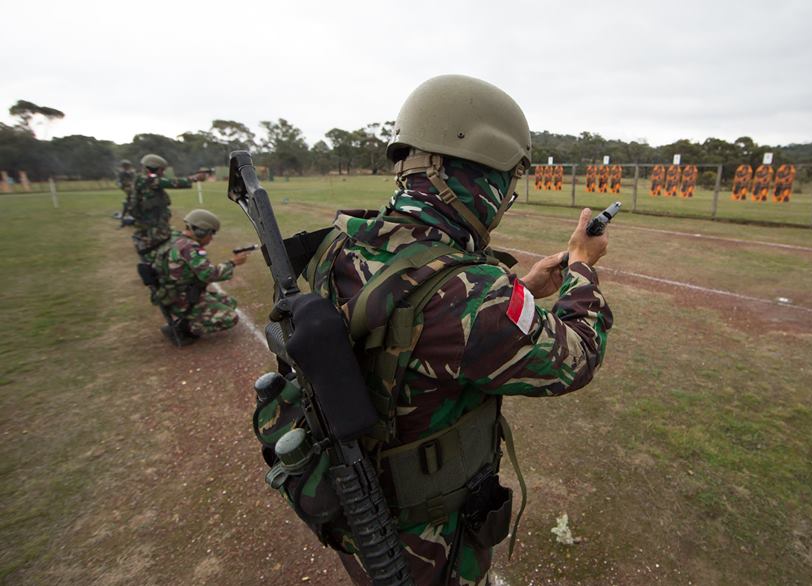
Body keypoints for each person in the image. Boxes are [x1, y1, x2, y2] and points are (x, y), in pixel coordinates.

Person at [298, 74, 613, 585]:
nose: (504, 200)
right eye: (506, 183)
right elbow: (576, 357)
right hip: (426, 541)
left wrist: (523, 288)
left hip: (358, 513)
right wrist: (582, 266)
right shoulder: (469, 292)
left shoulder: (342, 245)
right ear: (478, 176)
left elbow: (414, 321)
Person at [152, 209, 249, 345]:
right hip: (182, 299)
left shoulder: (175, 238)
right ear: (201, 231)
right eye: (211, 233)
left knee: (229, 302)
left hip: (174, 293)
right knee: (230, 318)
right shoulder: (189, 247)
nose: (211, 238)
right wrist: (233, 262)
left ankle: (189, 320)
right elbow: (208, 275)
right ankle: (184, 329)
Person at [130, 153, 195, 262]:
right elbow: (173, 182)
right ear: (153, 168)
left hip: (150, 220)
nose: (162, 173)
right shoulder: (147, 179)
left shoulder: (141, 177)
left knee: (155, 241)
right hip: (152, 222)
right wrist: (193, 179)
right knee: (157, 244)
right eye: (161, 170)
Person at [115, 159, 136, 226]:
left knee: (131, 197)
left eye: (127, 166)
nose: (126, 167)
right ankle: (129, 211)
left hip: (132, 187)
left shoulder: (132, 172)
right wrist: (121, 185)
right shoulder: (121, 173)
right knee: (130, 197)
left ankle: (130, 210)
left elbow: (134, 180)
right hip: (126, 187)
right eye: (125, 166)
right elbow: (118, 181)